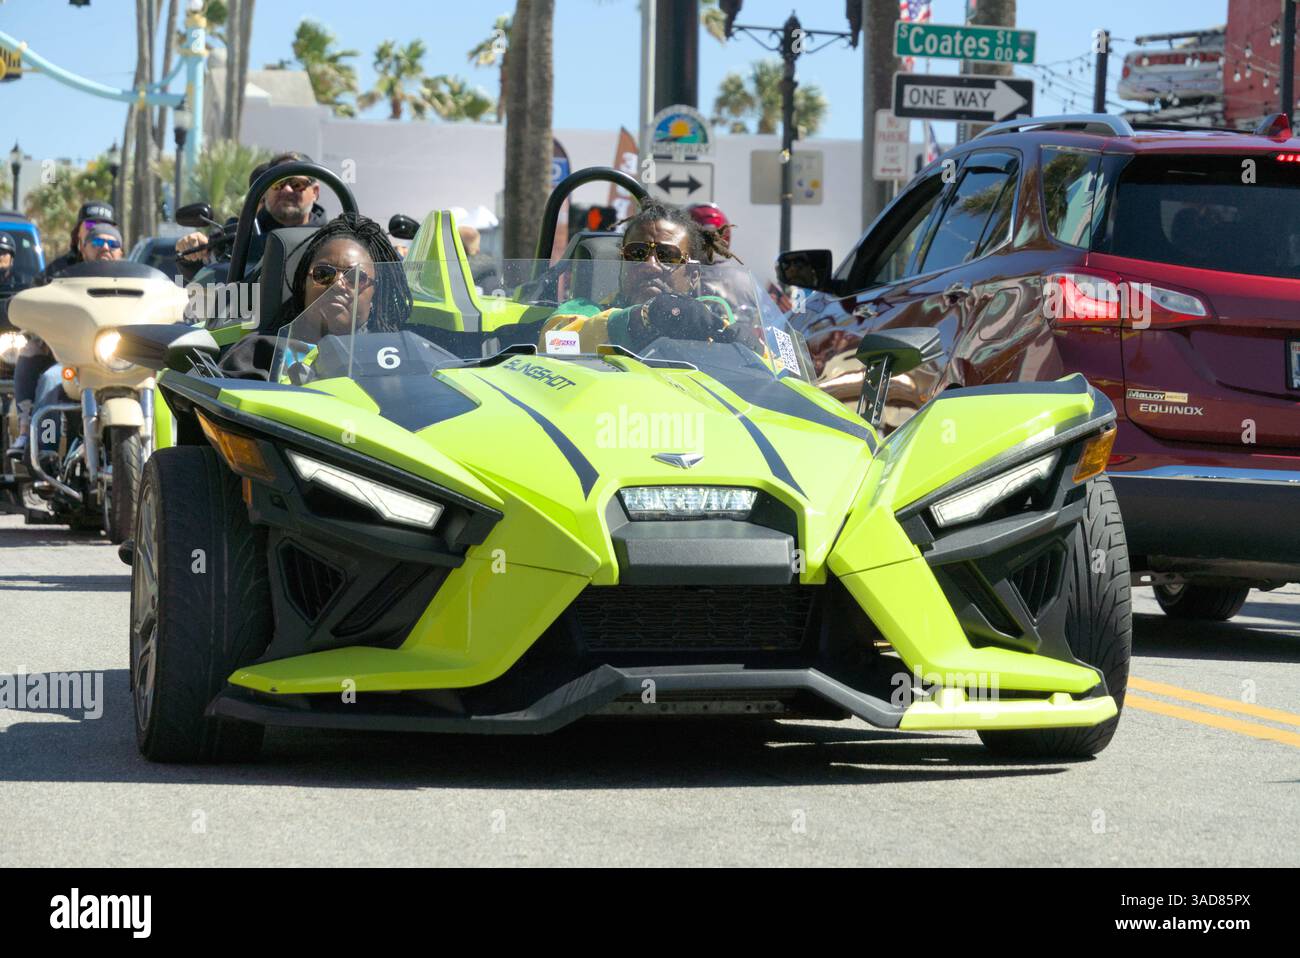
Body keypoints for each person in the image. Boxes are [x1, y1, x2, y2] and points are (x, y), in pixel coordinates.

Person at [217, 213, 410, 380]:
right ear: (303, 284)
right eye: (323, 274)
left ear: (376, 293)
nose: (338, 284)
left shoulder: (396, 359)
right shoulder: (260, 353)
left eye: (355, 277)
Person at [538, 202, 734, 354]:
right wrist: (641, 319)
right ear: (622, 265)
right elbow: (553, 343)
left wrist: (748, 348)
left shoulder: (706, 325)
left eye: (667, 255)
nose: (650, 266)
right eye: (637, 253)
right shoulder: (583, 310)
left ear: (693, 276)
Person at [8, 211, 124, 460]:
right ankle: (45, 453)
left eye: (113, 243)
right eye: (97, 241)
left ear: (122, 252)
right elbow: (37, 304)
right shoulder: (64, 276)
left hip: (121, 362)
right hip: (73, 360)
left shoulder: (134, 280)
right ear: (83, 247)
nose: (105, 247)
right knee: (51, 381)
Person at [175, 150, 328, 270]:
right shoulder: (236, 236)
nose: (287, 190)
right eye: (277, 183)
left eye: (296, 184)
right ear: (266, 191)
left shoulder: (332, 239)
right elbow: (204, 278)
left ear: (315, 192)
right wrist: (193, 251)